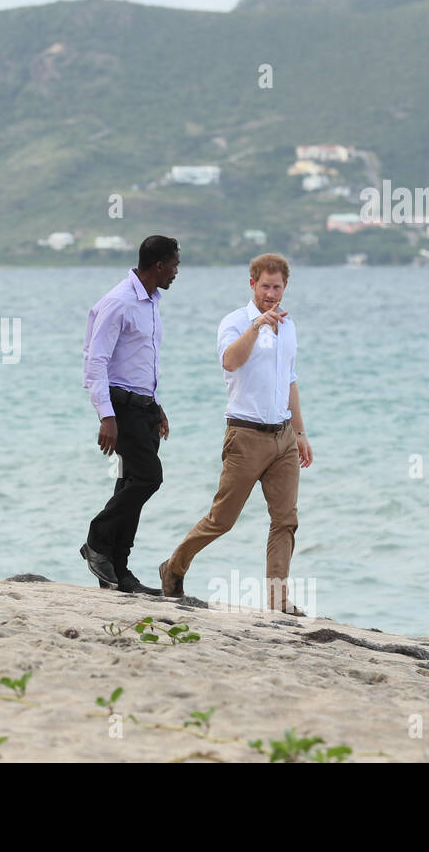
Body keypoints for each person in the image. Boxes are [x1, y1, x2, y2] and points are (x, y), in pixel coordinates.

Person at [158, 253, 313, 614]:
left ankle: (277, 602)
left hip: (284, 437)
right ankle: (174, 566)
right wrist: (257, 325)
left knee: (286, 521)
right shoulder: (234, 322)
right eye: (265, 287)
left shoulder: (289, 327)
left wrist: (301, 432)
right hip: (245, 437)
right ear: (252, 285)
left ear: (285, 287)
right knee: (222, 520)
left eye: (277, 287)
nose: (271, 294)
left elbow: (290, 380)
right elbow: (230, 360)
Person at [80, 235, 180, 594]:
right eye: (174, 265)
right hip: (121, 407)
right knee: (148, 478)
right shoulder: (119, 302)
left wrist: (156, 406)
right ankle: (96, 540)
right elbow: (95, 361)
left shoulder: (151, 302)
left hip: (144, 408)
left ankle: (119, 571)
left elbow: (139, 363)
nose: (176, 272)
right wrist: (106, 416)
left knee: (129, 482)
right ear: (158, 265)